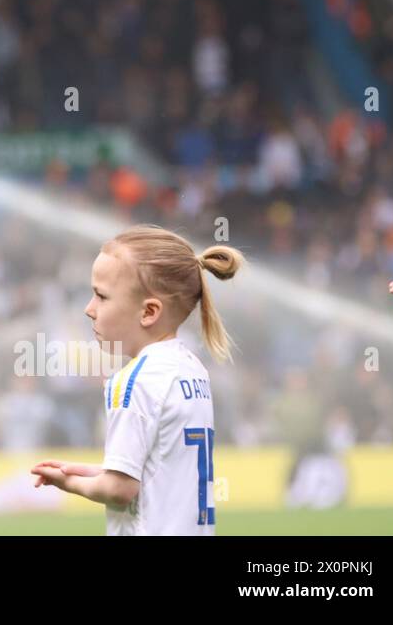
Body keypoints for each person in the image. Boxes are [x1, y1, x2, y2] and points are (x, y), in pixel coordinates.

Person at [32, 225, 243, 535]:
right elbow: (156, 472)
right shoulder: (191, 369)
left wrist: (70, 484)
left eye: (101, 296)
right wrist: (96, 472)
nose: (88, 309)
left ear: (149, 312)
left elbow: (120, 490)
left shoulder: (132, 382)